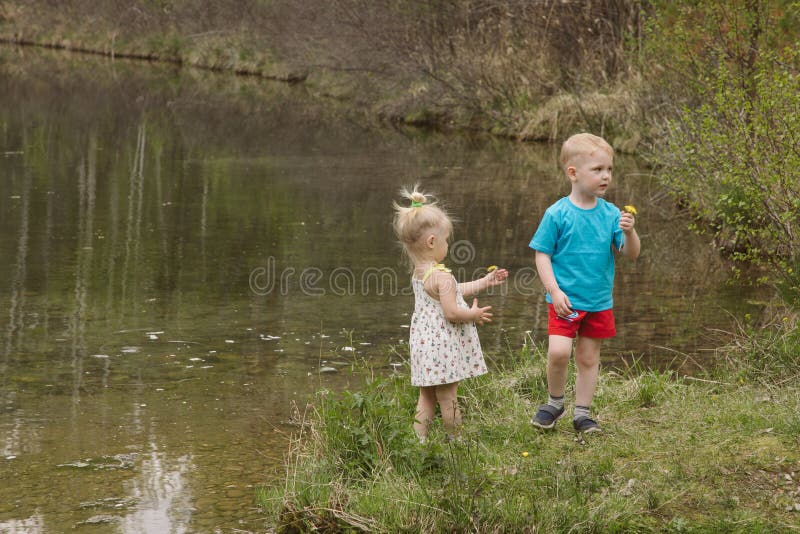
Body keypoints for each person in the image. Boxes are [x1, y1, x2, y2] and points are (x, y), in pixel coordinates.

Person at [529, 133, 640, 433]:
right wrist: (554, 290)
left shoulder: (612, 215)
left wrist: (630, 234)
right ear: (573, 173)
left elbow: (631, 254)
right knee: (559, 352)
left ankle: (582, 413)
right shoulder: (557, 214)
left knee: (589, 358)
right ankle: (554, 402)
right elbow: (542, 256)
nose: (606, 176)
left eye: (609, 169)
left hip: (598, 301)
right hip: (564, 300)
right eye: (598, 170)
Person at [393, 186, 509, 442]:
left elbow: (454, 292)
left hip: (423, 345)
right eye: (446, 240)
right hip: (441, 347)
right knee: (448, 397)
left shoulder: (421, 273)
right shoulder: (441, 276)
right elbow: (452, 311)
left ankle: (418, 442)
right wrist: (474, 314)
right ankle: (456, 442)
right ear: (432, 242)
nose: (447, 245)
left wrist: (484, 282)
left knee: (426, 396)